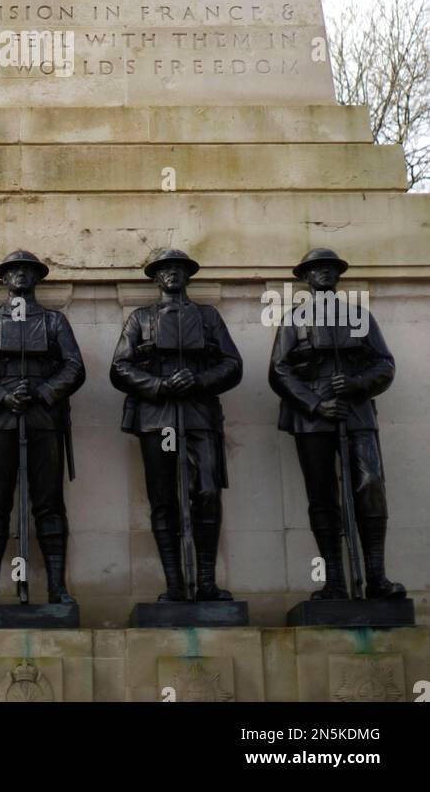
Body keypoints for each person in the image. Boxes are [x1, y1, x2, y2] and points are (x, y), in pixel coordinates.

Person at [269, 247, 405, 601]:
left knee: (370, 486)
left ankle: (376, 577)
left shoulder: (359, 317)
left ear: (338, 275)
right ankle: (333, 581)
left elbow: (384, 365)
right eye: (316, 269)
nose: (324, 274)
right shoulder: (293, 319)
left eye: (330, 269)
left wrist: (358, 384)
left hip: (356, 412)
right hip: (312, 416)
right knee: (322, 496)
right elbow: (279, 371)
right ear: (304, 277)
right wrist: (316, 404)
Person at [110, 248, 242, 601]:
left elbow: (232, 363)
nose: (172, 274)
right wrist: (158, 385)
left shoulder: (208, 316)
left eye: (179, 269)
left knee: (207, 493)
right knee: (164, 499)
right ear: (155, 277)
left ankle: (206, 582)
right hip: (158, 419)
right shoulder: (141, 318)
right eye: (165, 269)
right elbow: (120, 367)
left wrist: (198, 381)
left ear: (188, 275)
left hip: (199, 415)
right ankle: (174, 584)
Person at [0, 250, 85, 604]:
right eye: (14, 271)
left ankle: (57, 588)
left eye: (27, 271)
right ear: (4, 278)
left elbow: (74, 366)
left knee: (49, 502)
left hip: (44, 417)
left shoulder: (54, 321)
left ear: (37, 278)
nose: (20, 276)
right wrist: (1, 396)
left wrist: (44, 392)